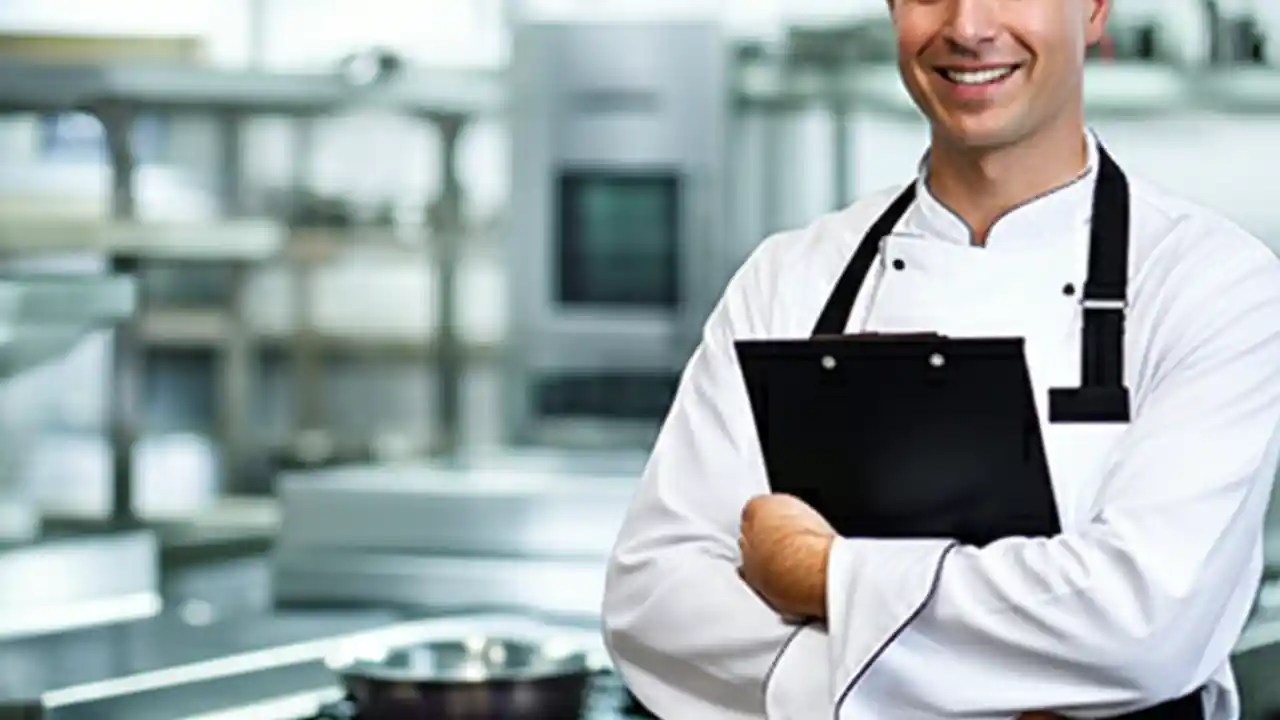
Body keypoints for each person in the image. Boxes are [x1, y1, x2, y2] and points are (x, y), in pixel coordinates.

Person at [601, 0, 1280, 718]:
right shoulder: (790, 279)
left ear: (1095, 9)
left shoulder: (1212, 283)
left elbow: (1143, 624)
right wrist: (996, 686)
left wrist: (820, 575)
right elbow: (654, 602)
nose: (968, 26)